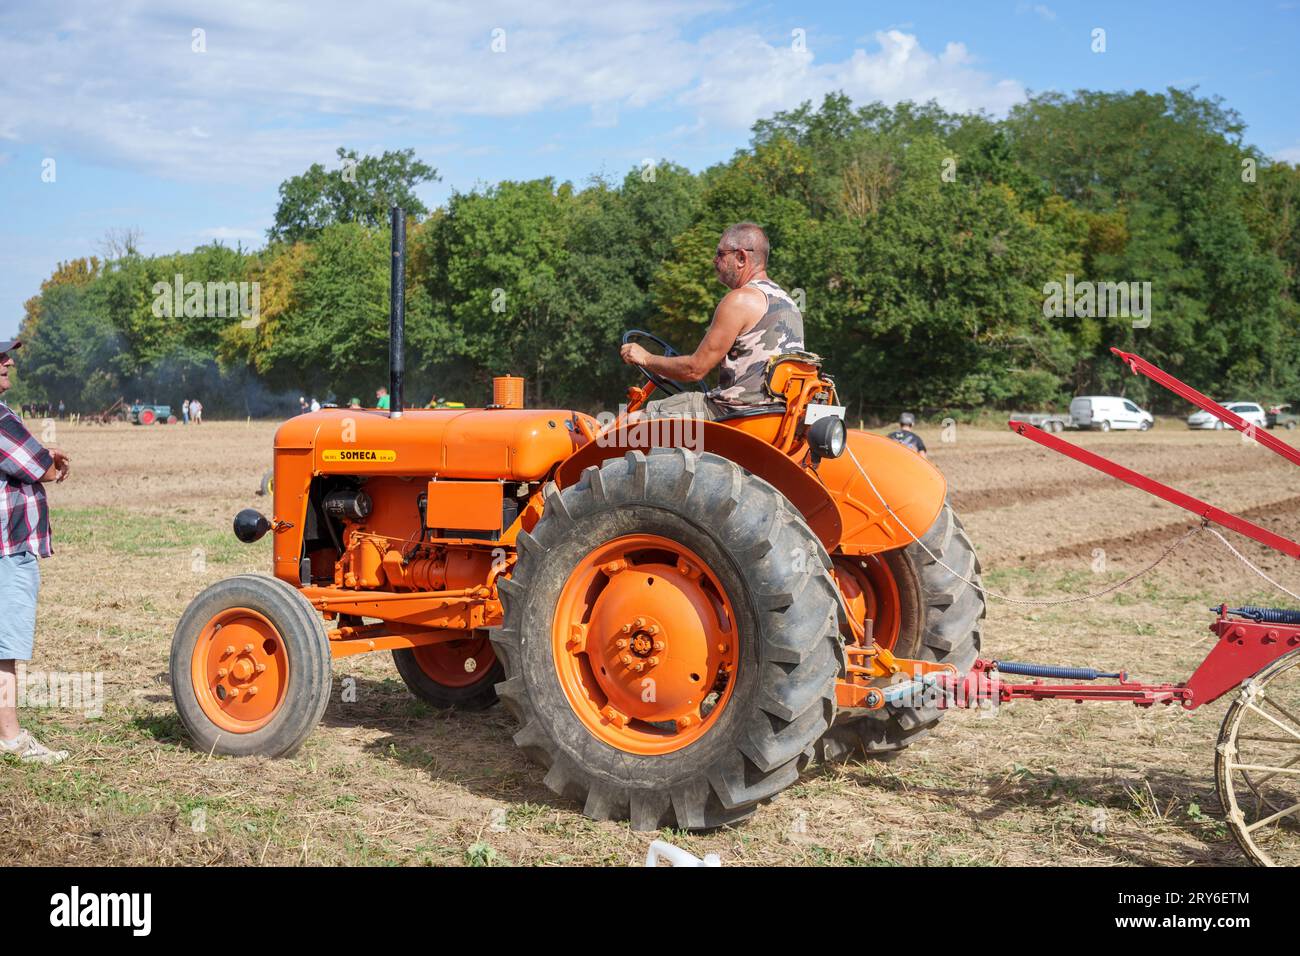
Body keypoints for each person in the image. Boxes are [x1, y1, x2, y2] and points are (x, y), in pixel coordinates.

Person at [619, 222, 802, 420]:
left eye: (720, 254)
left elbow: (694, 370)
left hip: (734, 415)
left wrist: (646, 358)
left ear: (741, 257)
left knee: (629, 424)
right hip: (777, 418)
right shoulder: (788, 301)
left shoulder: (739, 300)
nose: (714, 260)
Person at [0, 339, 71, 763]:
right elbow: (36, 466)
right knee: (5, 644)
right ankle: (9, 737)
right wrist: (51, 463)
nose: (8, 361)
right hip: (7, 546)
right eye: (0, 357)